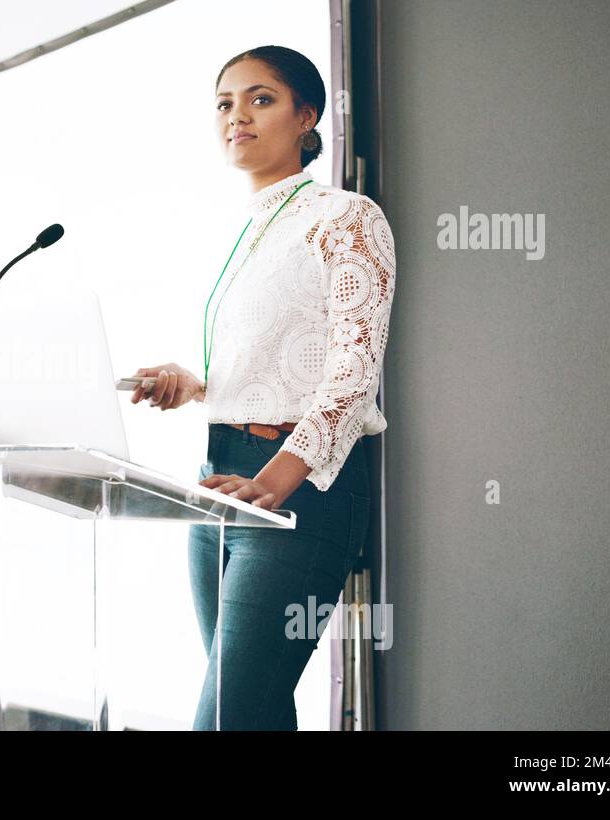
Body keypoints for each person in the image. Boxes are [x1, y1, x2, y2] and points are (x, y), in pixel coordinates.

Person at [126, 45, 396, 730]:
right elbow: (274, 366)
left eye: (260, 98)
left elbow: (352, 375)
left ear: (307, 115)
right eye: (224, 102)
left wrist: (276, 480)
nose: (236, 115)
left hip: (298, 492)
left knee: (227, 718)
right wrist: (191, 385)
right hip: (217, 483)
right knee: (257, 713)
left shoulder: (347, 217)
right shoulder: (245, 230)